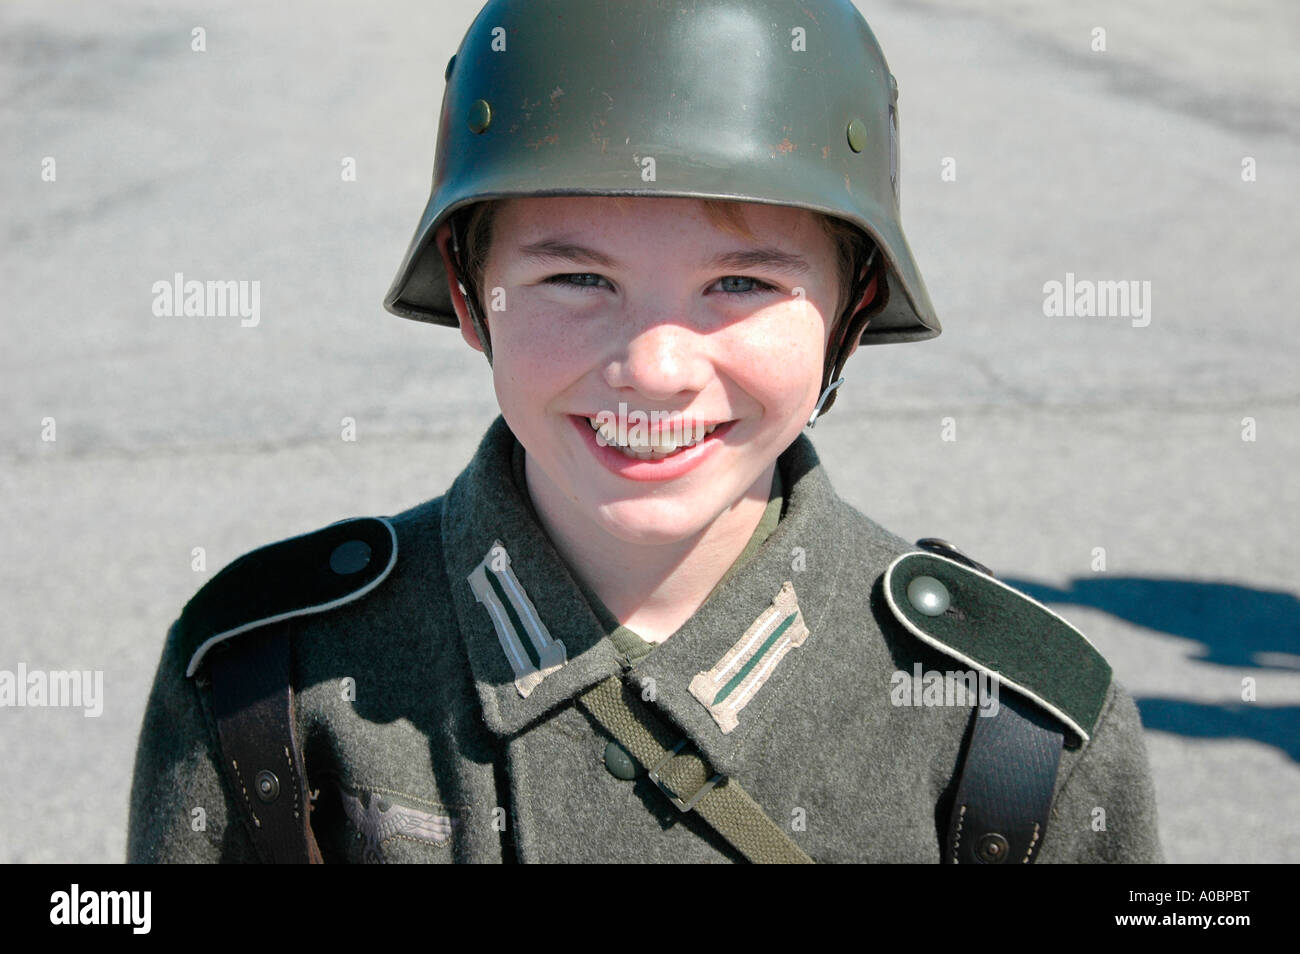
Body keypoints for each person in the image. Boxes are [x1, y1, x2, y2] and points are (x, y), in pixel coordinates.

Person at [127, 0, 1163, 863]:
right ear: (466, 285)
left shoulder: (1005, 725)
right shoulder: (278, 682)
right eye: (576, 278)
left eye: (741, 282)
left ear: (853, 304)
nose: (655, 367)